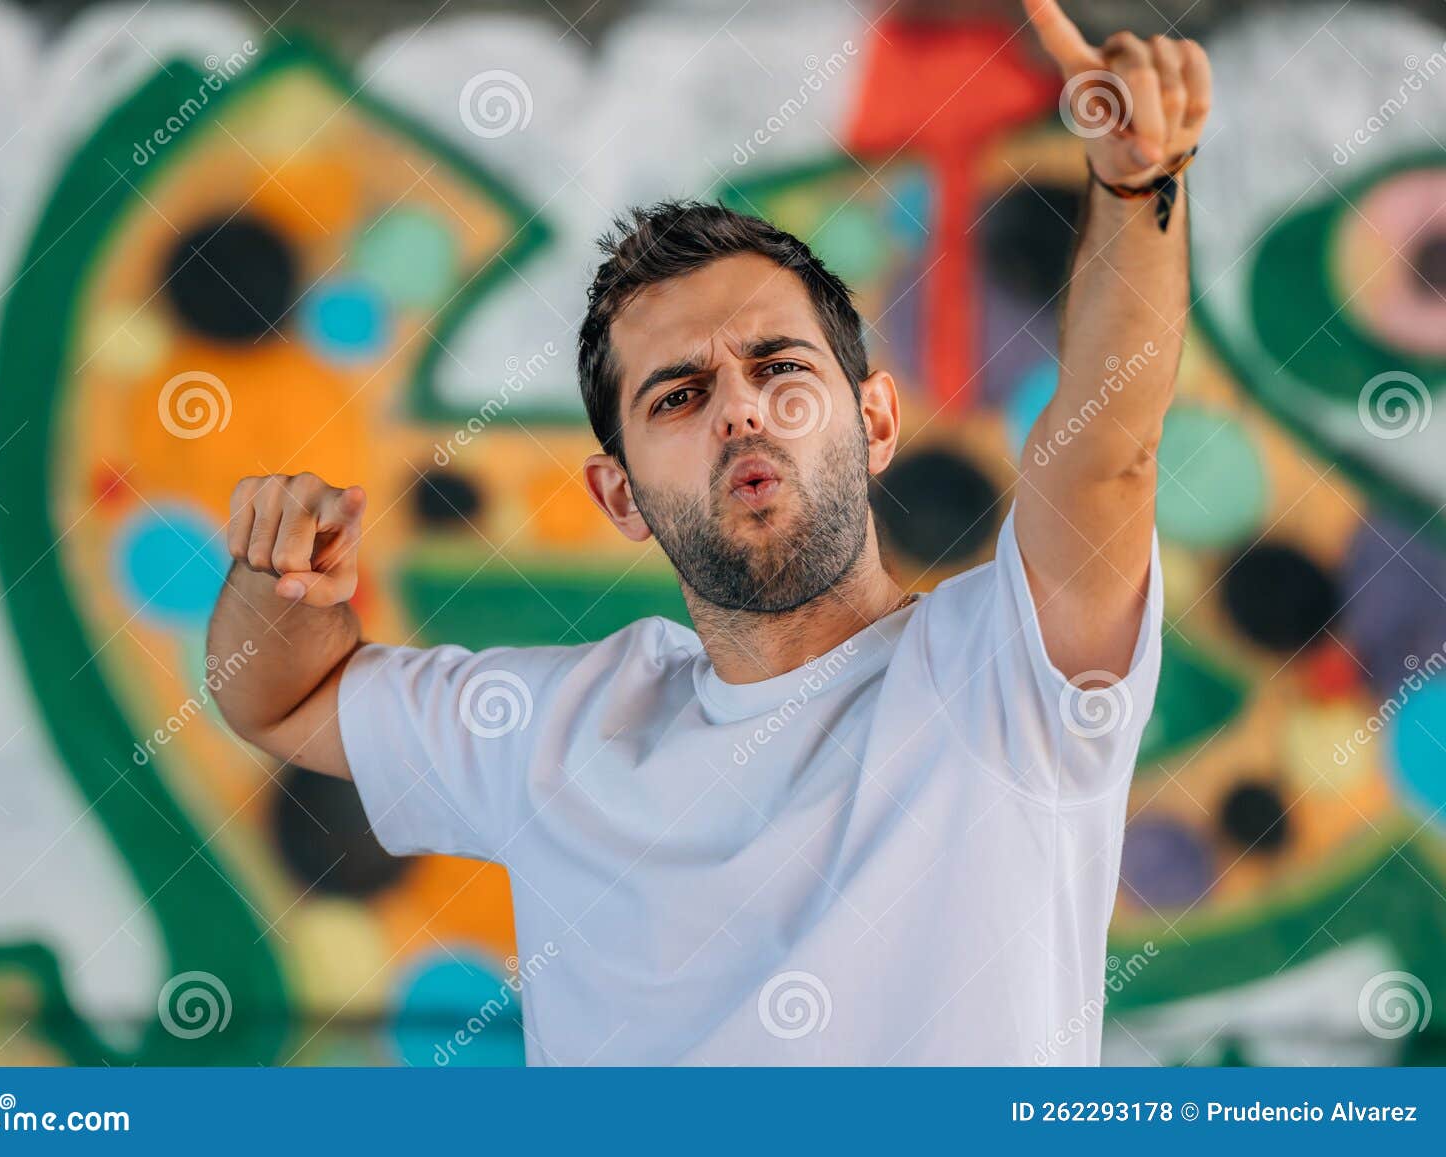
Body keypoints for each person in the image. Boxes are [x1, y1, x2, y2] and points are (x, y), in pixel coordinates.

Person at [208, 0, 1211, 1065]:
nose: (740, 407)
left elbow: (1108, 453)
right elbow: (278, 694)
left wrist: (1134, 184)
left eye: (779, 367)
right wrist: (275, 587)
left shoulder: (1012, 680)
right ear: (620, 496)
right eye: (680, 395)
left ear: (874, 420)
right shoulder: (550, 730)